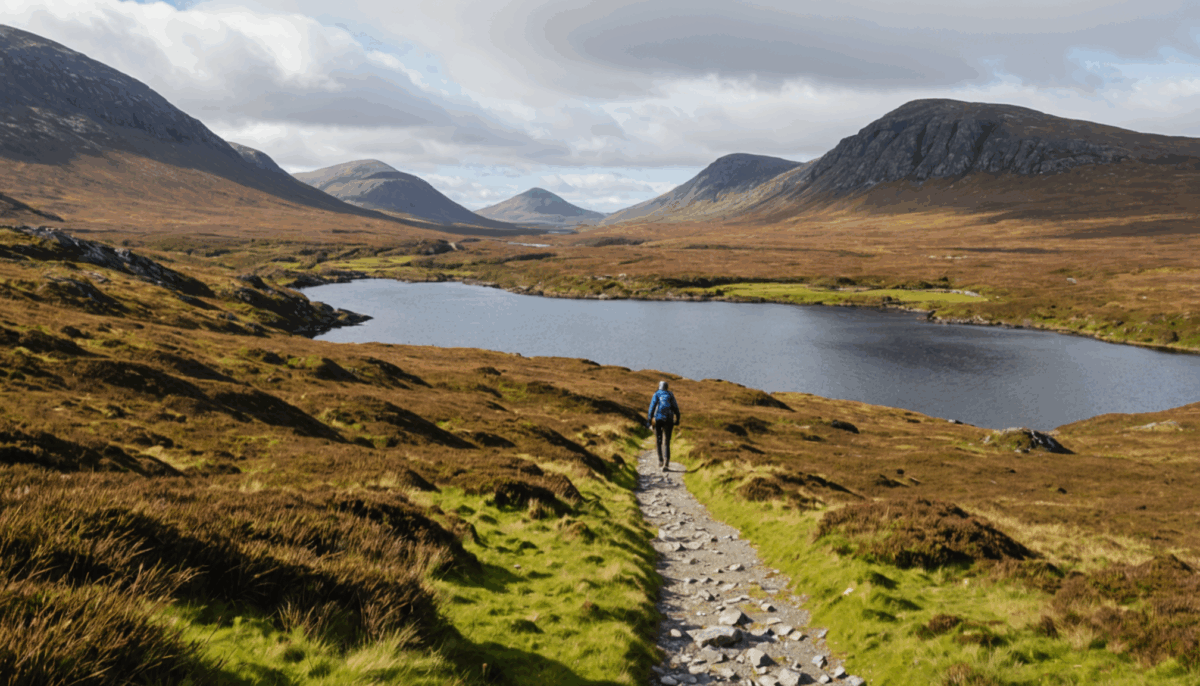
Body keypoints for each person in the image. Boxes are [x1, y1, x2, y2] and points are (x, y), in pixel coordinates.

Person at [647, 380, 681, 471]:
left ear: (659, 386)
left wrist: (649, 420)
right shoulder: (670, 394)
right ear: (667, 387)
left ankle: (660, 460)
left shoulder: (656, 394)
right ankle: (666, 463)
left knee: (658, 440)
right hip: (669, 420)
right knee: (667, 442)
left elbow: (652, 407)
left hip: (658, 419)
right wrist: (677, 418)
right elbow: (675, 407)